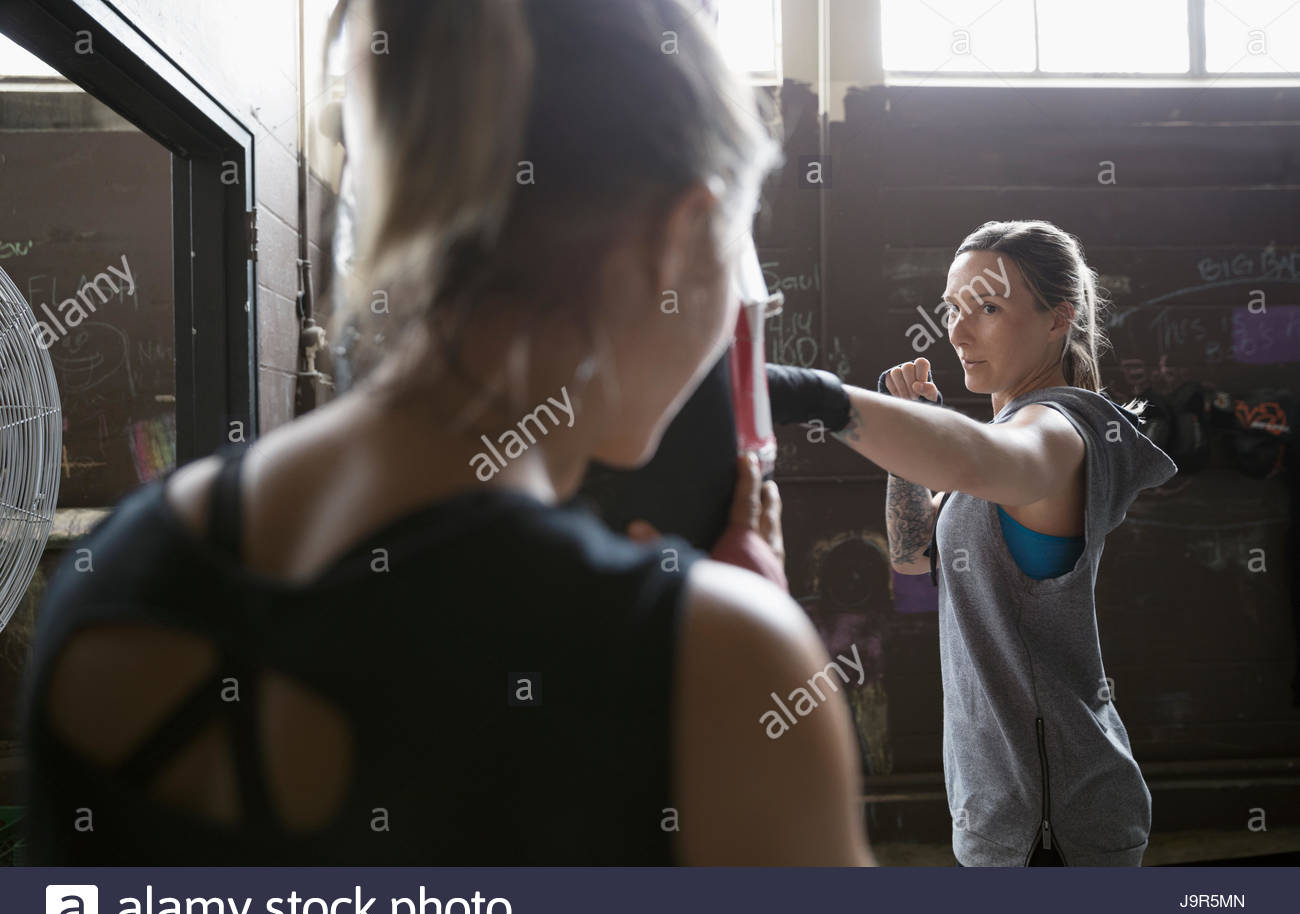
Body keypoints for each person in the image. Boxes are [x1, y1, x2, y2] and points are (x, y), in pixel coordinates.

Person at [18, 0, 871, 865]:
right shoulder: (728, 673)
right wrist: (734, 631)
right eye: (737, 249)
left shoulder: (110, 583)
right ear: (681, 236)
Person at [767, 220, 1177, 866]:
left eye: (987, 308)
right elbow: (911, 557)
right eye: (953, 309)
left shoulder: (1061, 429)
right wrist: (913, 445)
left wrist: (809, 394)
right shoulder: (1006, 440)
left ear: (1055, 320)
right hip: (1001, 818)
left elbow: (989, 457)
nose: (958, 333)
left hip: (1057, 830)